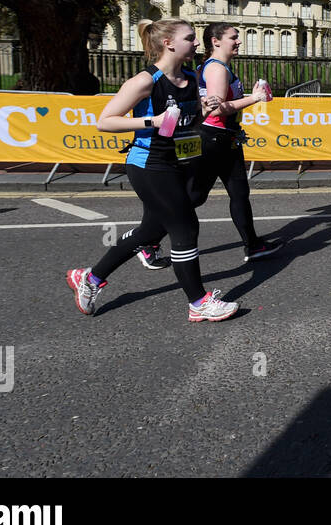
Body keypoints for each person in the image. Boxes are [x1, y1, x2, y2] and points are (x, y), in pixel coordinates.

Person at [66, 18, 237, 322]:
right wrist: (152, 121)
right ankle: (199, 302)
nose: (196, 43)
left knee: (150, 231)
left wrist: (206, 108)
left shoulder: (187, 77)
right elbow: (105, 121)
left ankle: (90, 278)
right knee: (185, 227)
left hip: (181, 161)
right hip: (149, 164)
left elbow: (188, 120)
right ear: (168, 43)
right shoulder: (146, 81)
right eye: (190, 38)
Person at [136, 23, 283, 270]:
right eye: (233, 37)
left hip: (221, 136)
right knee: (195, 196)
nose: (238, 41)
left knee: (234, 193)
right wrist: (254, 98)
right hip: (215, 138)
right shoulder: (216, 68)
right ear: (215, 41)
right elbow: (217, 109)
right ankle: (147, 240)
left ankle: (253, 244)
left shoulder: (214, 67)